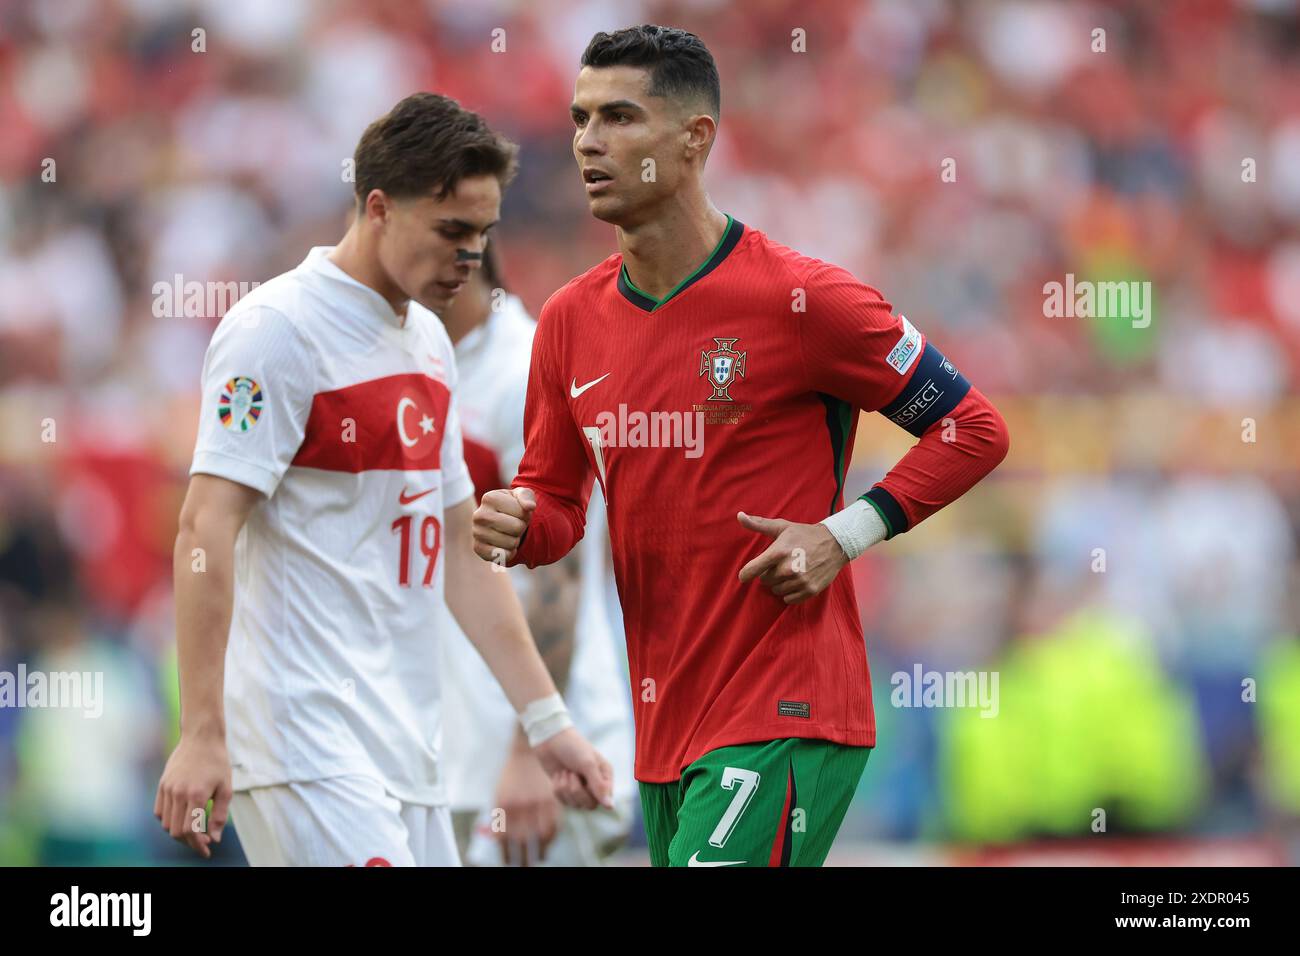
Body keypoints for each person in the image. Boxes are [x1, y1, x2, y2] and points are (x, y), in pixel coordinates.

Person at [471, 26, 1009, 867]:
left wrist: (843, 535)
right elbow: (559, 507)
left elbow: (973, 428)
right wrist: (517, 518)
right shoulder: (570, 323)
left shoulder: (805, 299)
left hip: (786, 707)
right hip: (667, 727)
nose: (587, 142)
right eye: (580, 119)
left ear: (695, 140)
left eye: (618, 117)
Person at [155, 92, 611, 867]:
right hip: (305, 740)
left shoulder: (428, 342)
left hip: (408, 742)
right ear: (377, 208)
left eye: (483, 234)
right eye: (451, 232)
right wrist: (202, 732)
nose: (470, 258)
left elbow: (466, 553)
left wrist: (544, 722)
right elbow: (204, 529)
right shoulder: (278, 332)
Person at [439, 246, 636, 866]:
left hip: (533, 768)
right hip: (453, 758)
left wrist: (532, 750)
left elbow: (563, 573)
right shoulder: (419, 363)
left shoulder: (525, 363)